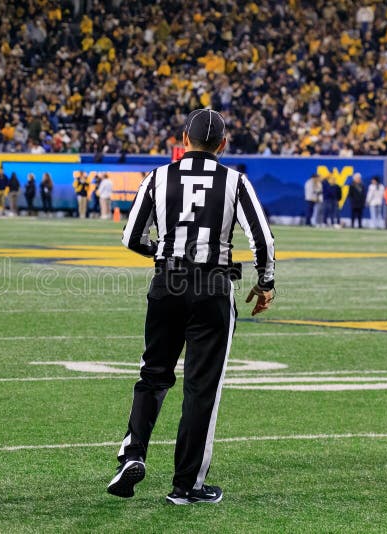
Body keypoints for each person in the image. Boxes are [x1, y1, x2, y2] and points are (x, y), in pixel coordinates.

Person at [109, 109, 275, 505]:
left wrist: (164, 253)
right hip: (212, 285)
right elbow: (263, 240)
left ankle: (132, 454)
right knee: (202, 388)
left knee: (153, 374)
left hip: (167, 282)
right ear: (223, 144)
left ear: (184, 138)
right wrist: (265, 283)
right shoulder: (234, 181)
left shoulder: (157, 176)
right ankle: (186, 485)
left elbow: (131, 237)